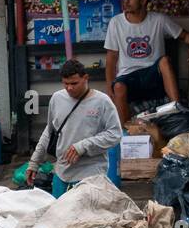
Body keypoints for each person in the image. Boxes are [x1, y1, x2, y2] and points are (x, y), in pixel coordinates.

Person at [104, 0, 189, 124]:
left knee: (165, 61)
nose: (126, 1)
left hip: (153, 76)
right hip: (129, 78)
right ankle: (125, 130)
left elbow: (185, 35)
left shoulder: (159, 20)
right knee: (118, 86)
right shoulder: (116, 23)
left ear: (143, 1)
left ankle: (177, 107)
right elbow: (111, 57)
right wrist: (110, 88)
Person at [26, 58, 123, 198]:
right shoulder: (56, 99)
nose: (69, 88)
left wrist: (83, 146)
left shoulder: (102, 101)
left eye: (74, 83)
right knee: (59, 215)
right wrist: (34, 163)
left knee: (87, 218)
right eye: (66, 84)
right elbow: (49, 132)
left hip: (91, 172)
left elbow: (115, 134)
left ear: (85, 78)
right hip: (62, 172)